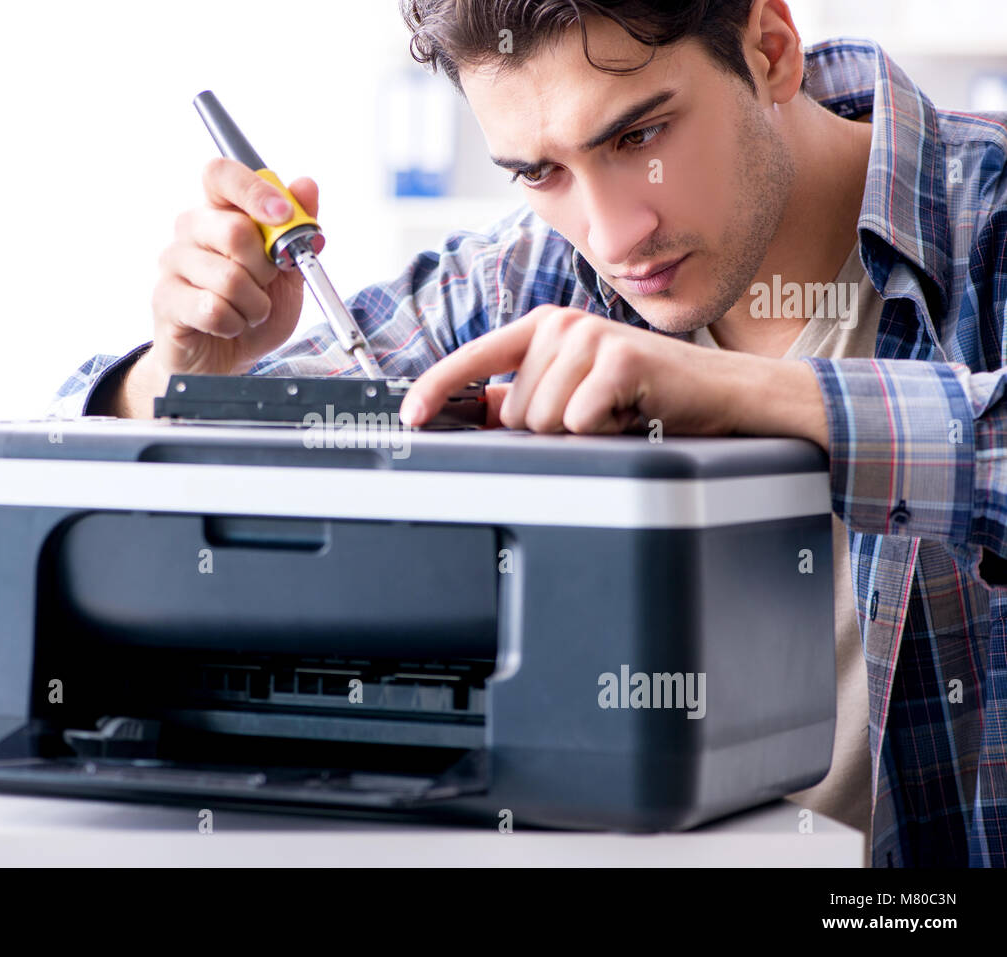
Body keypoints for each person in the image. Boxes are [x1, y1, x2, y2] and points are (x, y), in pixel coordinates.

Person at [51, 0, 1007, 868]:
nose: (613, 232)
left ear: (768, 49)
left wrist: (759, 396)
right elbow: (75, 459)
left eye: (641, 134)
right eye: (542, 171)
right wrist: (179, 376)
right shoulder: (522, 274)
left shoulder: (990, 216)